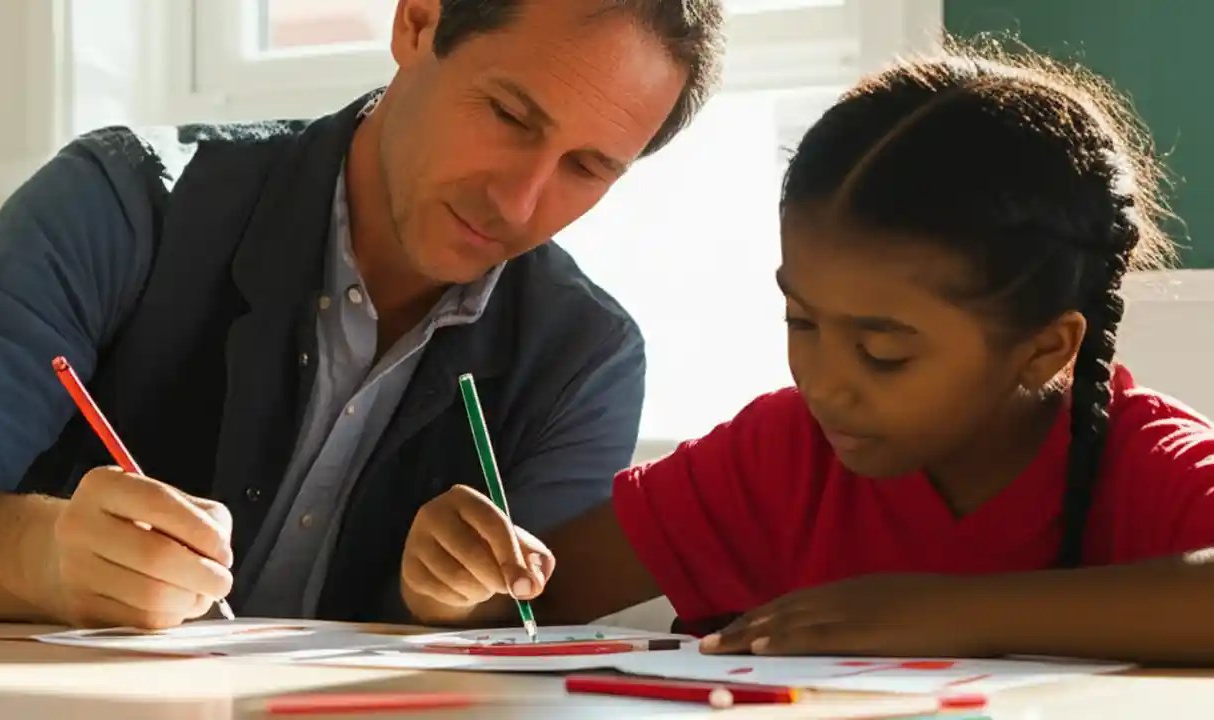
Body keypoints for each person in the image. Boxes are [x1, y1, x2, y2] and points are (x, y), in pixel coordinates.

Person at [398, 42, 1214, 664]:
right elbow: (537, 598)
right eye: (802, 322)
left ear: (1044, 349)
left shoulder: (1138, 462)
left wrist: (944, 615)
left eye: (885, 352)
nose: (827, 383)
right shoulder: (783, 457)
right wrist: (459, 584)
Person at [0, 0, 724, 629]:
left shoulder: (585, 359)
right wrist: (41, 559)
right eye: (511, 117)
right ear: (417, 21)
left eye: (587, 168)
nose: (518, 202)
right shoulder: (122, 204)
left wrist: (458, 601)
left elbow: (524, 635)